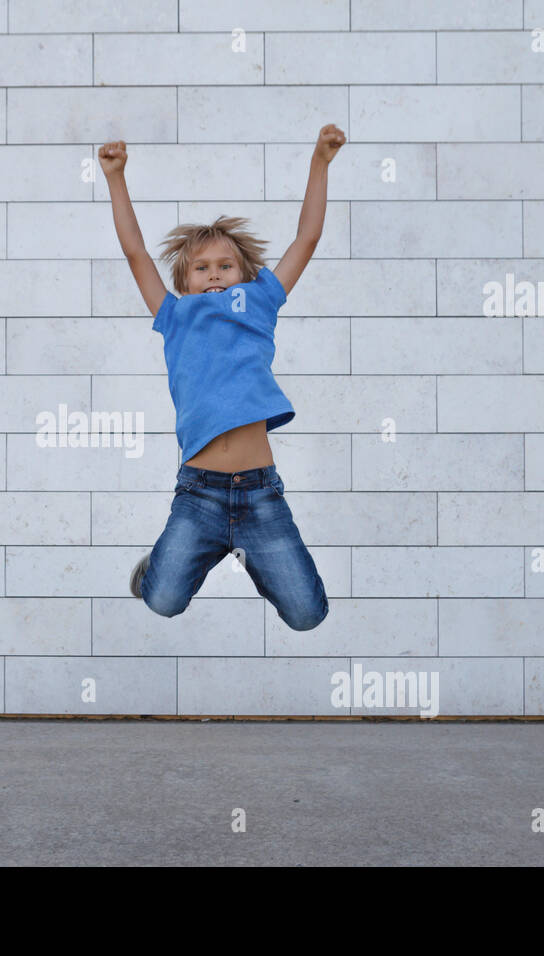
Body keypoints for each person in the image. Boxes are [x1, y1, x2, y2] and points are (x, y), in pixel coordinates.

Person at [98, 125, 345, 630]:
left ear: (245, 274)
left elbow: (308, 237)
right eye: (202, 267)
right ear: (183, 282)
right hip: (199, 493)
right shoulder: (174, 314)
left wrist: (320, 162)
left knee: (306, 614)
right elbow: (135, 253)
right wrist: (116, 178)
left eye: (225, 265)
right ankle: (172, 564)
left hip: (260, 493)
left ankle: (253, 555)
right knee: (162, 600)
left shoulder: (260, 300)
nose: (213, 274)